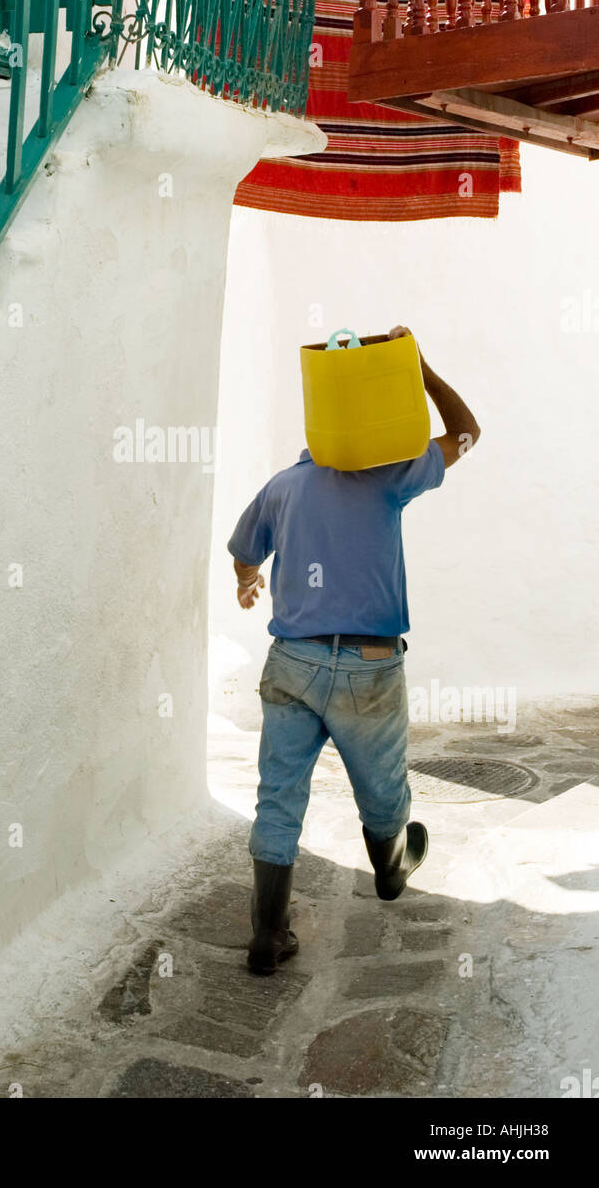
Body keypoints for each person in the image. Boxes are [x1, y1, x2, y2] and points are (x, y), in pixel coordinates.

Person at [228, 326, 481, 976]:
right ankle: (392, 870)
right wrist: (420, 370)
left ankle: (268, 932)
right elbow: (467, 434)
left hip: (291, 663)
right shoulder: (390, 474)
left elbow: (243, 548)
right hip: (368, 666)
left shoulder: (285, 485)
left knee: (279, 797)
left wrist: (247, 581)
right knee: (382, 790)